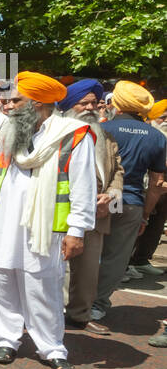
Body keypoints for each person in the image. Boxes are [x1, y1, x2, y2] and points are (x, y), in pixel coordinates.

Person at [0, 73, 96, 369]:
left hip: (45, 226)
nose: (9, 105)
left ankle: (52, 347)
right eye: (9, 100)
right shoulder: (9, 132)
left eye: (17, 100)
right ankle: (5, 340)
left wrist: (76, 230)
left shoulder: (74, 134)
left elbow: (82, 185)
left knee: (43, 285)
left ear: (38, 102)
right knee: (0, 280)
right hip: (3, 219)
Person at [90, 82, 165, 322]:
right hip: (131, 200)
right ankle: (98, 304)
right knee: (116, 257)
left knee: (88, 252)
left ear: (118, 104)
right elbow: (155, 184)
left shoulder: (101, 129)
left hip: (100, 199)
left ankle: (78, 300)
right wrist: (145, 214)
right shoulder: (156, 136)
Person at [62, 79, 123, 335]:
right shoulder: (58, 135)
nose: (89, 108)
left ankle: (79, 315)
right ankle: (48, 315)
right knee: (55, 268)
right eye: (82, 103)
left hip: (97, 213)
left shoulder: (105, 136)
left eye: (93, 103)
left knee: (88, 272)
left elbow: (118, 171)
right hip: (61, 212)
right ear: (68, 107)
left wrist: (111, 195)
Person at [128, 96, 167, 280]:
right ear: (151, 118)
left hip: (160, 189)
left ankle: (141, 260)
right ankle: (126, 263)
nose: (166, 121)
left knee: (155, 225)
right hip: (142, 187)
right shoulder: (149, 135)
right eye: (162, 117)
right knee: (137, 225)